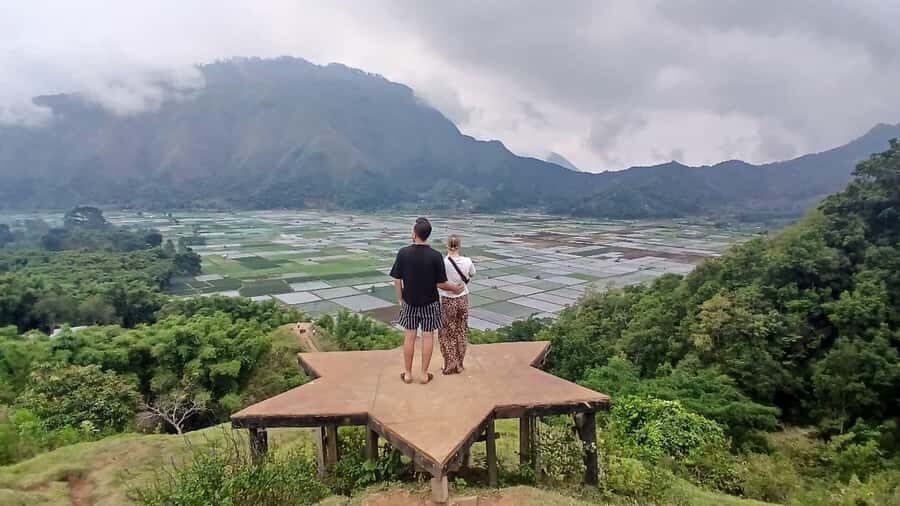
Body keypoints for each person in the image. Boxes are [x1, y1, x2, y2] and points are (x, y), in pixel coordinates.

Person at [390, 217, 463, 384]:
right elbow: (441, 283)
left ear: (414, 233)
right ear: (428, 235)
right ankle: (424, 374)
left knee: (409, 337)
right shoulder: (435, 256)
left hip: (409, 302)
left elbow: (397, 279)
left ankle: (408, 374)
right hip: (430, 303)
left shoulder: (403, 252)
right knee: (428, 336)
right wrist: (455, 288)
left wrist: (401, 299)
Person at [438, 234, 476, 374]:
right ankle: (459, 364)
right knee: (461, 330)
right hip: (463, 298)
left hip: (448, 299)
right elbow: (472, 274)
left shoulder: (443, 262)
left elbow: (439, 281)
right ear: (459, 246)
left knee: (448, 332)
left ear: (447, 246)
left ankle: (449, 364)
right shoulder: (467, 261)